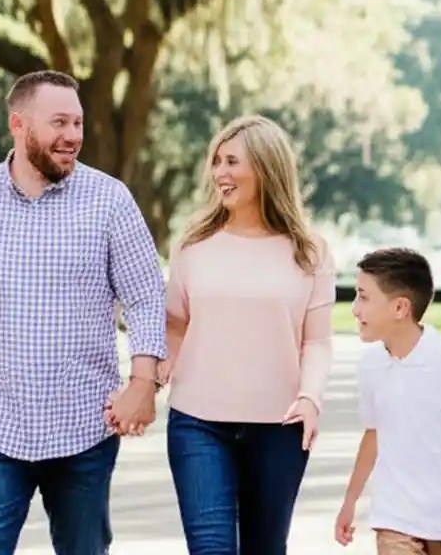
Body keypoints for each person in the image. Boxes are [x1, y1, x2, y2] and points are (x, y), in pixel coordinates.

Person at [0, 69, 166, 554]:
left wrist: (143, 383)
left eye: (79, 124)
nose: (73, 136)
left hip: (84, 427)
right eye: (59, 123)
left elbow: (147, 296)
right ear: (18, 125)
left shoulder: (110, 201)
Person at [146, 115, 336, 554]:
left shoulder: (309, 250)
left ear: (266, 168)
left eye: (232, 161)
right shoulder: (193, 243)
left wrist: (310, 396)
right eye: (216, 161)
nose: (219, 173)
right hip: (198, 423)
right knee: (211, 548)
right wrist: (153, 375)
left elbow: (317, 341)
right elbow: (175, 323)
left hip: (280, 428)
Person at [334, 248, 441, 555]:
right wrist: (350, 500)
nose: (355, 309)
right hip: (394, 519)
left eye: (364, 297)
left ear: (400, 308)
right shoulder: (369, 366)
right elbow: (374, 433)